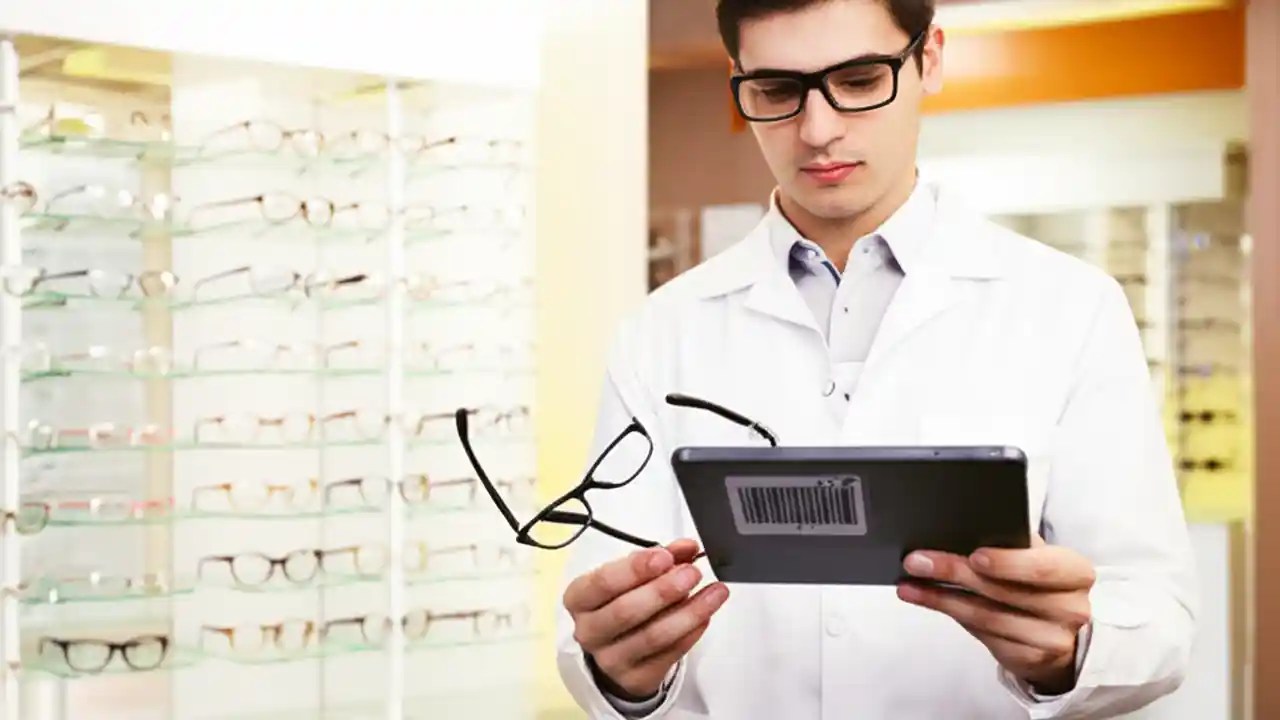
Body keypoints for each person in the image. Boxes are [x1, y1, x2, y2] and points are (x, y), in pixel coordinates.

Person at [543, 1, 1197, 717]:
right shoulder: (660, 330)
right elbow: (599, 630)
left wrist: (1071, 650)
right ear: (739, 82)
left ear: (931, 58)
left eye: (859, 79)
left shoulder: (1072, 308)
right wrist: (620, 672)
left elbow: (1159, 620)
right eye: (777, 91)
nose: (817, 130)